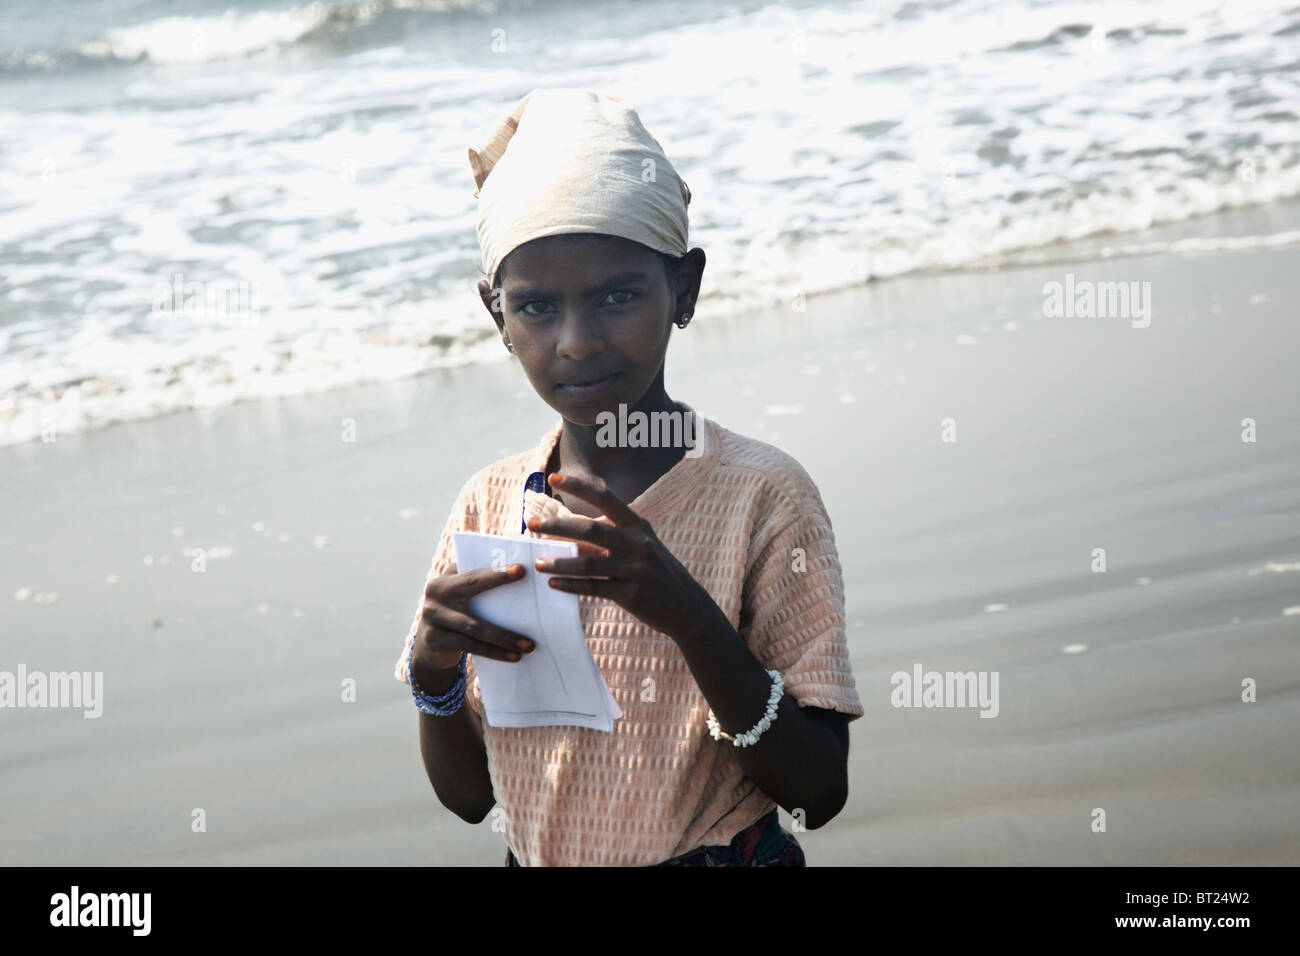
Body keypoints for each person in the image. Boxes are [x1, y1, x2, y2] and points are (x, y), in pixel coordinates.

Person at [394, 88, 863, 866]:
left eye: (617, 296)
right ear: (496, 318)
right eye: (536, 307)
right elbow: (471, 798)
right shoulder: (490, 505)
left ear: (683, 288)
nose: (576, 342)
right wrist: (432, 672)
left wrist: (690, 616)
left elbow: (819, 789)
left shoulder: (761, 495)